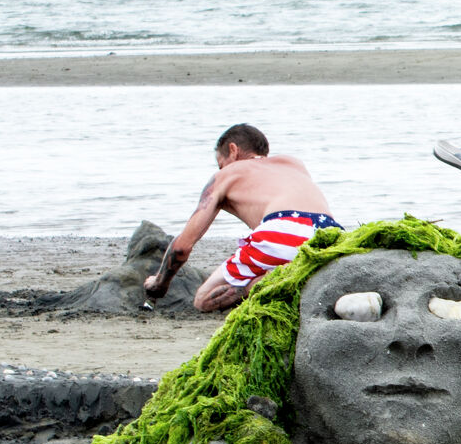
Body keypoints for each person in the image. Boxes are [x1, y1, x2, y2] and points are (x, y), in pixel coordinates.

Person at [143, 123, 340, 312]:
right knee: (283, 254)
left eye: (221, 164)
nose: (222, 169)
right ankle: (297, 273)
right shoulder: (293, 163)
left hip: (282, 230)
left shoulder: (227, 175)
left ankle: (269, 280)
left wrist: (158, 284)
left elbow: (182, 247)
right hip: (331, 234)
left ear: (233, 150)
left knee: (203, 300)